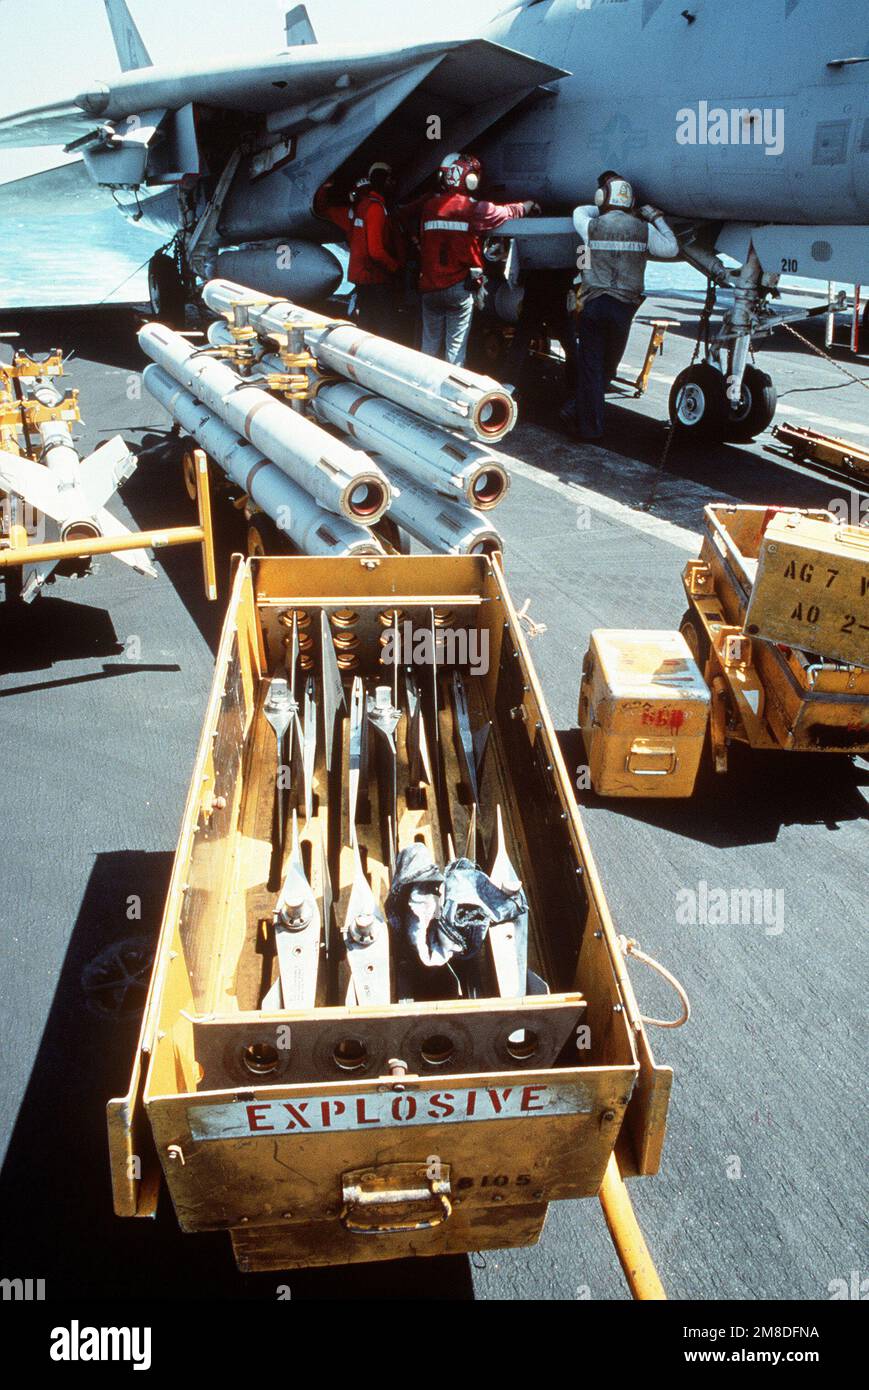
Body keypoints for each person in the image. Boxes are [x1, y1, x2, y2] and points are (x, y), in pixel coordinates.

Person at [564, 172, 678, 440]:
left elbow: (580, 210)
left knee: (591, 368)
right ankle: (577, 412)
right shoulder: (643, 229)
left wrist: (602, 204)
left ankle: (586, 425)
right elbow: (672, 248)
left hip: (594, 305)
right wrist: (654, 217)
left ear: (602, 197)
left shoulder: (591, 225)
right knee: (608, 368)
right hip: (623, 309)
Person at [414, 152, 539, 366]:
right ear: (470, 180)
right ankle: (449, 394)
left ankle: (422, 391)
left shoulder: (428, 207)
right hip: (458, 288)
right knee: (455, 350)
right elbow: (505, 212)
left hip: (429, 288)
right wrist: (528, 205)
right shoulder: (473, 208)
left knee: (429, 348)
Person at [314, 162, 405, 337]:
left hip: (362, 276)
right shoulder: (375, 208)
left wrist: (324, 189)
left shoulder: (359, 209)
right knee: (385, 326)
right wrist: (395, 268)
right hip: (376, 276)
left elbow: (324, 209)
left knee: (367, 322)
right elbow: (376, 251)